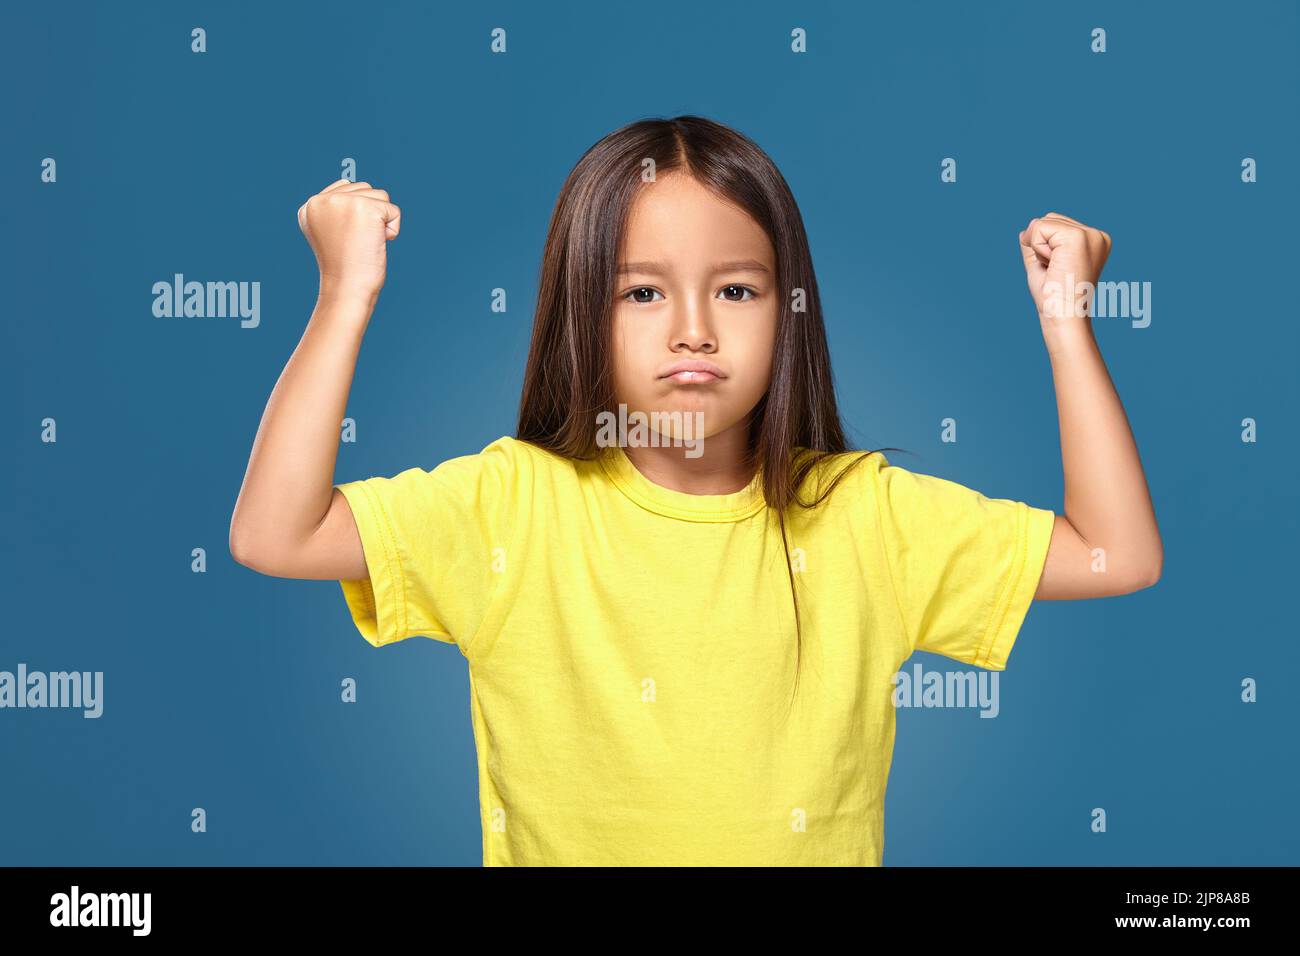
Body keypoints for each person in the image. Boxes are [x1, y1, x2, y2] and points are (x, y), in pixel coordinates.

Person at [228, 115, 1162, 866]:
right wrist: (343, 295)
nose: (692, 332)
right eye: (641, 293)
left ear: (789, 309)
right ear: (578, 311)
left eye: (738, 291)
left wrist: (1068, 324)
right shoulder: (514, 506)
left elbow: (1115, 556)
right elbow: (277, 535)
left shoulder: (865, 515)